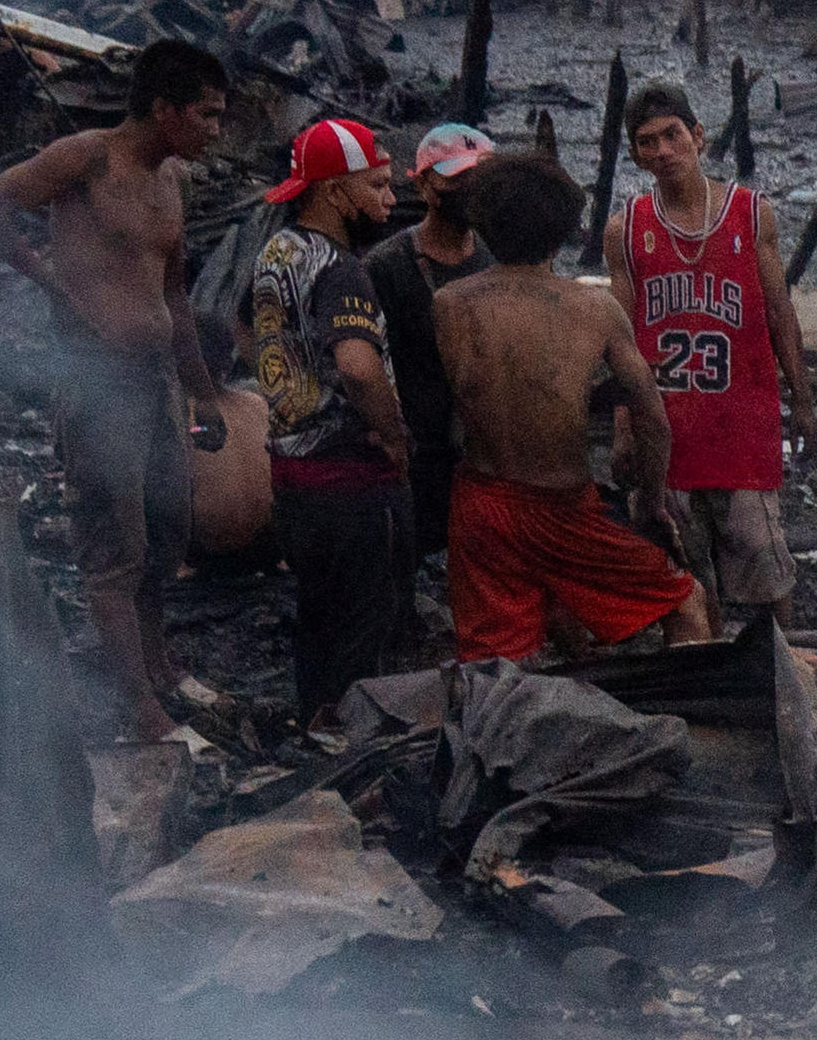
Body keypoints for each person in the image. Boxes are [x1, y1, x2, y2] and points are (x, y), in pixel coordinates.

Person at [0, 37, 234, 737]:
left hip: (155, 379)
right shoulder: (87, 157)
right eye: (205, 114)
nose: (214, 129)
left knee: (168, 531)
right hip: (96, 377)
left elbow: (173, 292)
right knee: (115, 544)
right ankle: (137, 704)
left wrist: (202, 391)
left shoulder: (173, 181)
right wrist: (52, 280)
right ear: (164, 108)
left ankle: (158, 664)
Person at [428, 154, 714, 665]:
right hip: (560, 505)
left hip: (482, 504)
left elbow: (488, 388)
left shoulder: (451, 303)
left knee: (493, 663)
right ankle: (691, 725)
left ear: (485, 228)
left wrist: (587, 394)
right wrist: (651, 504)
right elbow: (653, 419)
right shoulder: (593, 308)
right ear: (563, 236)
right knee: (684, 599)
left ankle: (496, 736)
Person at [616, 77, 814, 638]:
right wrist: (624, 426)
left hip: (742, 425)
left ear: (698, 136)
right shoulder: (626, 228)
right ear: (635, 153)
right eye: (647, 142)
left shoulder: (752, 215)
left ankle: (787, 666)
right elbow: (621, 339)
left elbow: (780, 313)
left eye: (672, 136)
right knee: (689, 570)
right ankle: (711, 679)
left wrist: (803, 398)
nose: (662, 151)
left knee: (766, 564)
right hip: (668, 431)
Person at [241, 116, 415, 721]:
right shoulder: (343, 271)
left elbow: (245, 323)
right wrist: (393, 436)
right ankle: (352, 747)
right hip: (351, 484)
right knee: (364, 626)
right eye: (378, 186)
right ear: (336, 191)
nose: (391, 201)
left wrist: (285, 381)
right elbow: (361, 368)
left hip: (291, 479)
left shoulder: (279, 251)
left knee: (317, 615)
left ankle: (315, 724)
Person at [361, 122, 499, 578]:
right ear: (423, 183)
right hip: (416, 451)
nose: (471, 191)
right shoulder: (386, 266)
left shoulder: (498, 257)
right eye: (457, 179)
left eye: (481, 180)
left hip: (483, 448)